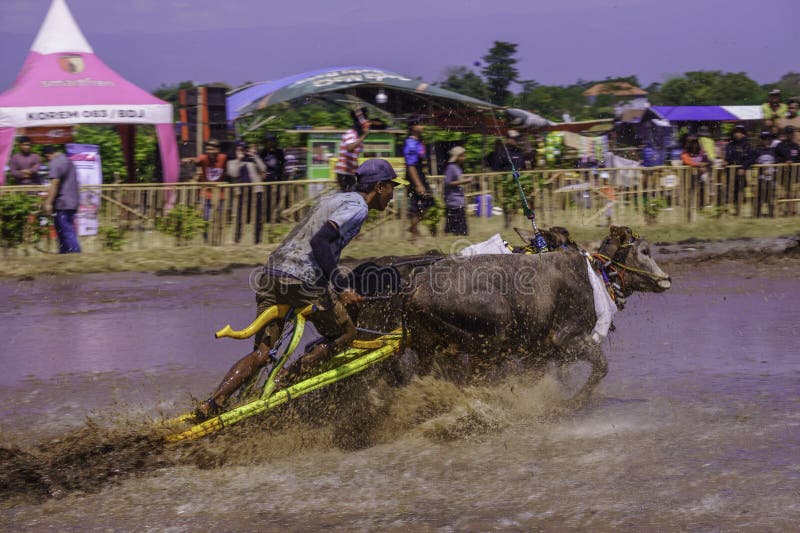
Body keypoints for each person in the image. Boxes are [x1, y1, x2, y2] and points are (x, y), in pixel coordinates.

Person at [195, 159, 409, 419]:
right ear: (379, 186)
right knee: (346, 333)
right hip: (303, 280)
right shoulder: (358, 208)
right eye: (391, 187)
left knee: (262, 352)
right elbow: (320, 242)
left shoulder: (334, 199)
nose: (393, 194)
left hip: (272, 273)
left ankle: (213, 403)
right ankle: (288, 379)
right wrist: (341, 289)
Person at [42, 145, 81, 254]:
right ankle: (64, 256)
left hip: (63, 203)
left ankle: (76, 257)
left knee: (66, 232)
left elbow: (54, 183)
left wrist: (48, 202)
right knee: (64, 231)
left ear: (47, 155)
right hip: (72, 202)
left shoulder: (55, 162)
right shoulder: (68, 161)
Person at [404, 118, 432, 237]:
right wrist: (418, 184)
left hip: (420, 174)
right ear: (413, 127)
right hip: (413, 176)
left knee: (429, 202)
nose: (423, 126)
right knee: (417, 205)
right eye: (420, 124)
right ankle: (415, 232)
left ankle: (413, 228)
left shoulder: (419, 141)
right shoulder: (410, 143)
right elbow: (410, 165)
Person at [334, 108, 371, 192]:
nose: (368, 123)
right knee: (350, 196)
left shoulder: (358, 137)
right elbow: (350, 148)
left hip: (350, 173)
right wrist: (365, 135)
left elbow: (354, 158)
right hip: (343, 172)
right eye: (366, 120)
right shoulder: (350, 133)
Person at [723, 124, 756, 216]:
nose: (736, 134)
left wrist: (743, 167)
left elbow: (752, 158)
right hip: (731, 173)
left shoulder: (748, 146)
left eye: (739, 132)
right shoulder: (730, 145)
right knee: (730, 191)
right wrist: (725, 161)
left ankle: (739, 211)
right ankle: (729, 211)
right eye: (735, 132)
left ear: (743, 134)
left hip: (742, 173)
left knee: (740, 191)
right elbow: (728, 157)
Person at [443, 146, 471, 235]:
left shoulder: (457, 167)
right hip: (454, 202)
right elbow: (447, 182)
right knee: (460, 230)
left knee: (455, 229)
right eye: (462, 155)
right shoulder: (451, 168)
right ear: (457, 157)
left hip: (458, 201)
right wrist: (464, 181)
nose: (464, 157)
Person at [754, 130, 777, 218]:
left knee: (770, 196)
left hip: (771, 178)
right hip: (761, 178)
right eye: (763, 139)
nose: (765, 141)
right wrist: (760, 167)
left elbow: (777, 162)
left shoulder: (773, 151)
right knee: (760, 196)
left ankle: (771, 214)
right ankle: (758, 214)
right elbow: (754, 162)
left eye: (767, 139)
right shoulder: (757, 151)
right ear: (761, 140)